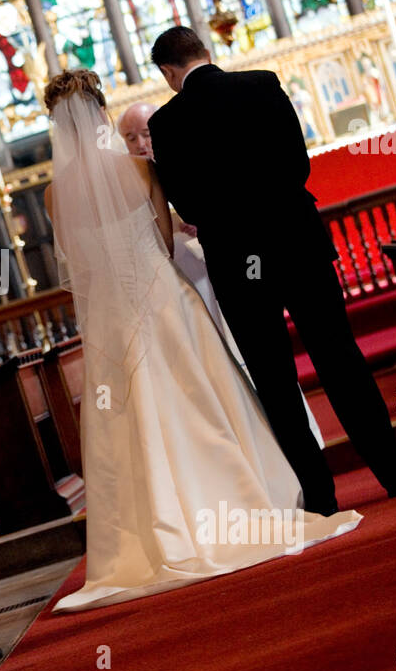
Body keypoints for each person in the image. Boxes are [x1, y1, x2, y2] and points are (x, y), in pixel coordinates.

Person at [41, 70, 361, 613]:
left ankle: (156, 531)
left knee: (133, 419)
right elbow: (165, 243)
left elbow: (78, 268)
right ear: (100, 114)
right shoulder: (141, 170)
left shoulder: (53, 195)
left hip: (110, 322)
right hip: (163, 300)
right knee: (203, 401)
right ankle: (240, 503)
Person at [147, 27, 396, 515]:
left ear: (169, 72)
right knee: (339, 357)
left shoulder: (167, 124)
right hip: (296, 243)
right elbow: (298, 167)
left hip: (236, 261)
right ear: (205, 53)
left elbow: (186, 204)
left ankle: (318, 497)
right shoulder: (261, 85)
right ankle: (393, 472)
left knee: (274, 379)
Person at [118, 102, 324, 447]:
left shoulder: (188, 155)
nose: (140, 143)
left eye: (147, 133)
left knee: (249, 353)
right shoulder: (129, 181)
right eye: (130, 137)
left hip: (225, 264)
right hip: (178, 270)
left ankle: (283, 440)